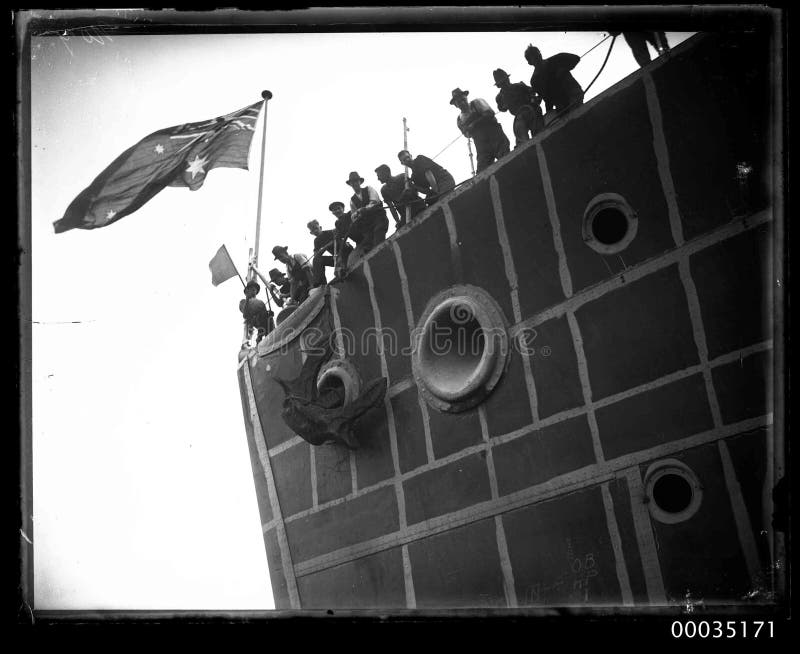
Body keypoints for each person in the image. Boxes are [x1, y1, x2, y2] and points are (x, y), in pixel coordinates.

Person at [450, 87, 510, 173]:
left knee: (506, 160)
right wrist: (467, 130)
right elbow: (467, 135)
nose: (462, 102)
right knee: (482, 171)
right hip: (481, 145)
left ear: (466, 97)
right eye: (459, 102)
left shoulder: (477, 103)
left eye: (463, 99)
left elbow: (490, 113)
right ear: (455, 105)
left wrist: (474, 124)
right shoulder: (460, 119)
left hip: (495, 137)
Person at [524, 45, 584, 115]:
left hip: (574, 95)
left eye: (538, 53)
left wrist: (564, 69)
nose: (537, 56)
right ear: (529, 62)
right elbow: (547, 99)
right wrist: (549, 113)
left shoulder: (557, 59)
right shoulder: (534, 81)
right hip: (561, 106)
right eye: (534, 56)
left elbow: (576, 58)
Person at [493, 68, 543, 147]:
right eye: (502, 83)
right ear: (499, 85)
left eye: (505, 81)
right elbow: (501, 108)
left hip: (532, 111)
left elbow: (533, 92)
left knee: (539, 133)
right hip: (519, 116)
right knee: (521, 137)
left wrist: (534, 100)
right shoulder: (500, 97)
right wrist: (504, 105)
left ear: (508, 79)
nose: (505, 84)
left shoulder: (519, 86)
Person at [346, 171, 389, 254]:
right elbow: (353, 216)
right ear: (350, 184)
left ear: (360, 182)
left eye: (356, 181)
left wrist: (364, 209)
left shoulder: (369, 189)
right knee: (367, 246)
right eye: (352, 182)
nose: (354, 183)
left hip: (379, 219)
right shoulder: (352, 200)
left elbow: (375, 202)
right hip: (368, 226)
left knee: (378, 237)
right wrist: (357, 215)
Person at [328, 201, 356, 277]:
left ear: (343, 209)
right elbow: (341, 235)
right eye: (334, 210)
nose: (337, 211)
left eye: (338, 208)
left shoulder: (350, 214)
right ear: (333, 213)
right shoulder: (337, 223)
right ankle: (342, 268)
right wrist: (336, 234)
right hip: (357, 242)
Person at [306, 219, 337, 287]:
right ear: (311, 233)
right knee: (317, 260)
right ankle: (321, 284)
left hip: (343, 253)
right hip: (336, 258)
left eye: (316, 228)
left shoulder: (330, 232)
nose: (315, 231)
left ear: (320, 228)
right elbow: (316, 255)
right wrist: (327, 246)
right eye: (313, 230)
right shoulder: (317, 241)